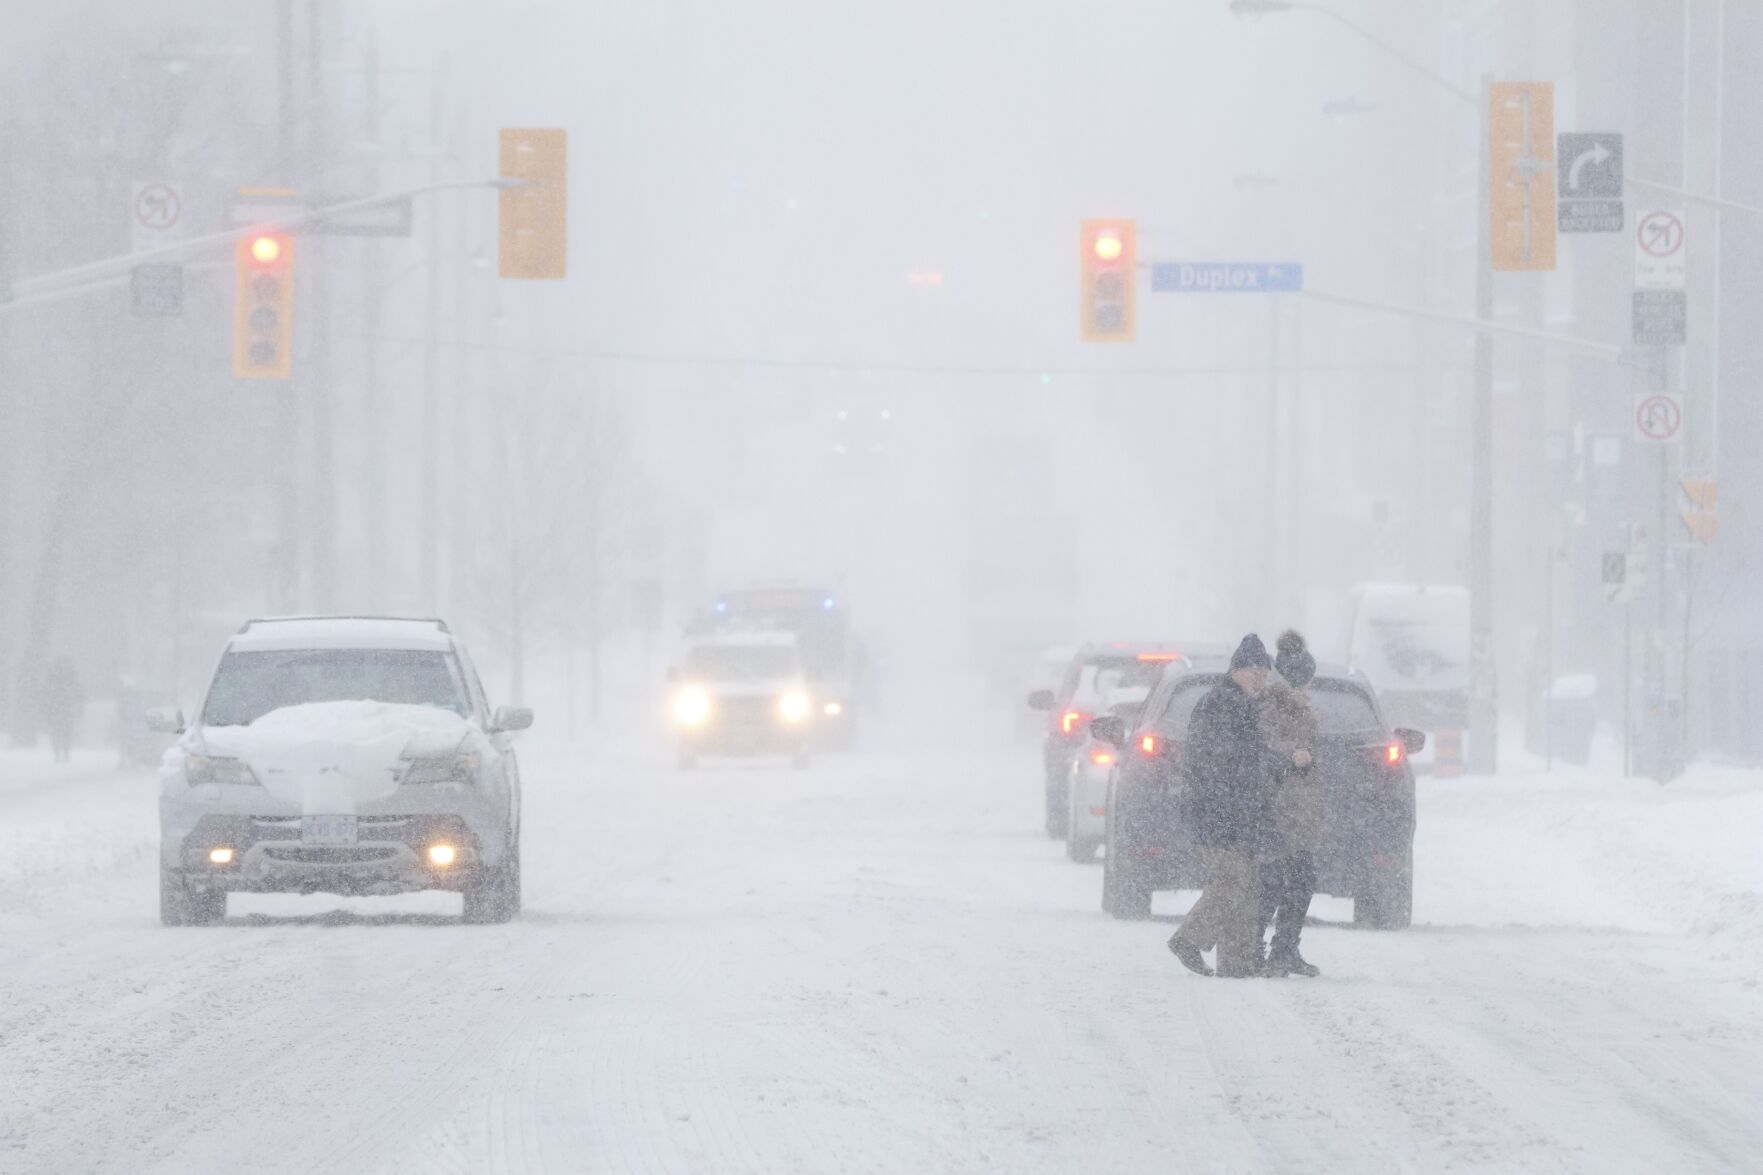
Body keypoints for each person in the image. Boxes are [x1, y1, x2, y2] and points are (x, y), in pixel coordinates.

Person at [1168, 634, 1275, 978]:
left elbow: (1247, 760)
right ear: (1237, 670)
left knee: (1247, 884)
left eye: (1265, 673)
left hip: (1233, 813)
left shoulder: (1238, 704)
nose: (1261, 679)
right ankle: (1188, 939)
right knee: (1233, 881)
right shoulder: (1223, 705)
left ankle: (1238, 962)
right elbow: (1223, 763)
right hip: (1217, 813)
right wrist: (1237, 800)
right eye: (1256, 672)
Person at [1258, 631, 1324, 978]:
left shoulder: (1296, 704)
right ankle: (1261, 948)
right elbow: (1265, 743)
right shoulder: (1276, 702)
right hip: (1279, 806)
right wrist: (1294, 754)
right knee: (1276, 878)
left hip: (1297, 807)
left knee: (1297, 878)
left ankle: (1282, 948)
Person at [41, 657, 85, 764]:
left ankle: (59, 753)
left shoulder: (53, 676)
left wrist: (46, 707)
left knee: (57, 731)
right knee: (65, 732)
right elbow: (77, 690)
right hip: (64, 708)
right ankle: (64, 752)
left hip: (56, 708)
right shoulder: (68, 676)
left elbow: (45, 692)